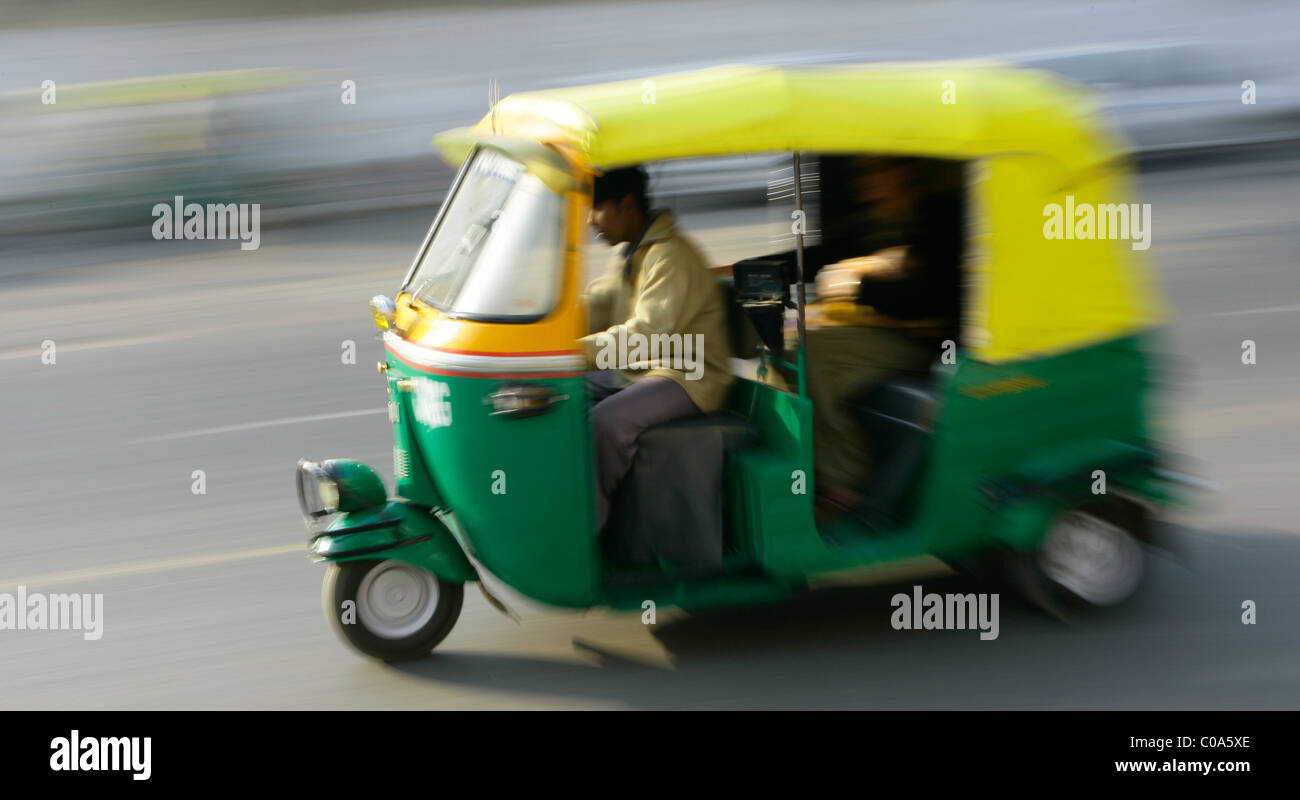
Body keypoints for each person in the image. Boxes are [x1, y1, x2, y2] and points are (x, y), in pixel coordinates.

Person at [806, 156, 965, 519]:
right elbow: (819, 257)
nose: (865, 183)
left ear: (903, 173)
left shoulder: (938, 221)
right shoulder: (871, 223)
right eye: (863, 173)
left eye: (876, 171)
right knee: (794, 347)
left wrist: (859, 286)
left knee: (809, 349)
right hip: (880, 335)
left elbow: (929, 297)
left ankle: (843, 481)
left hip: (931, 343)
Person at [581, 166, 734, 533]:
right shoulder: (631, 254)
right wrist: (535, 326)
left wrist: (574, 353)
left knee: (605, 423)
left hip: (688, 374)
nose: (589, 220)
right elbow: (596, 305)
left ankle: (587, 532)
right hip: (646, 367)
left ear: (627, 204)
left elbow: (648, 333)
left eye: (597, 207)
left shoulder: (669, 256)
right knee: (560, 395)